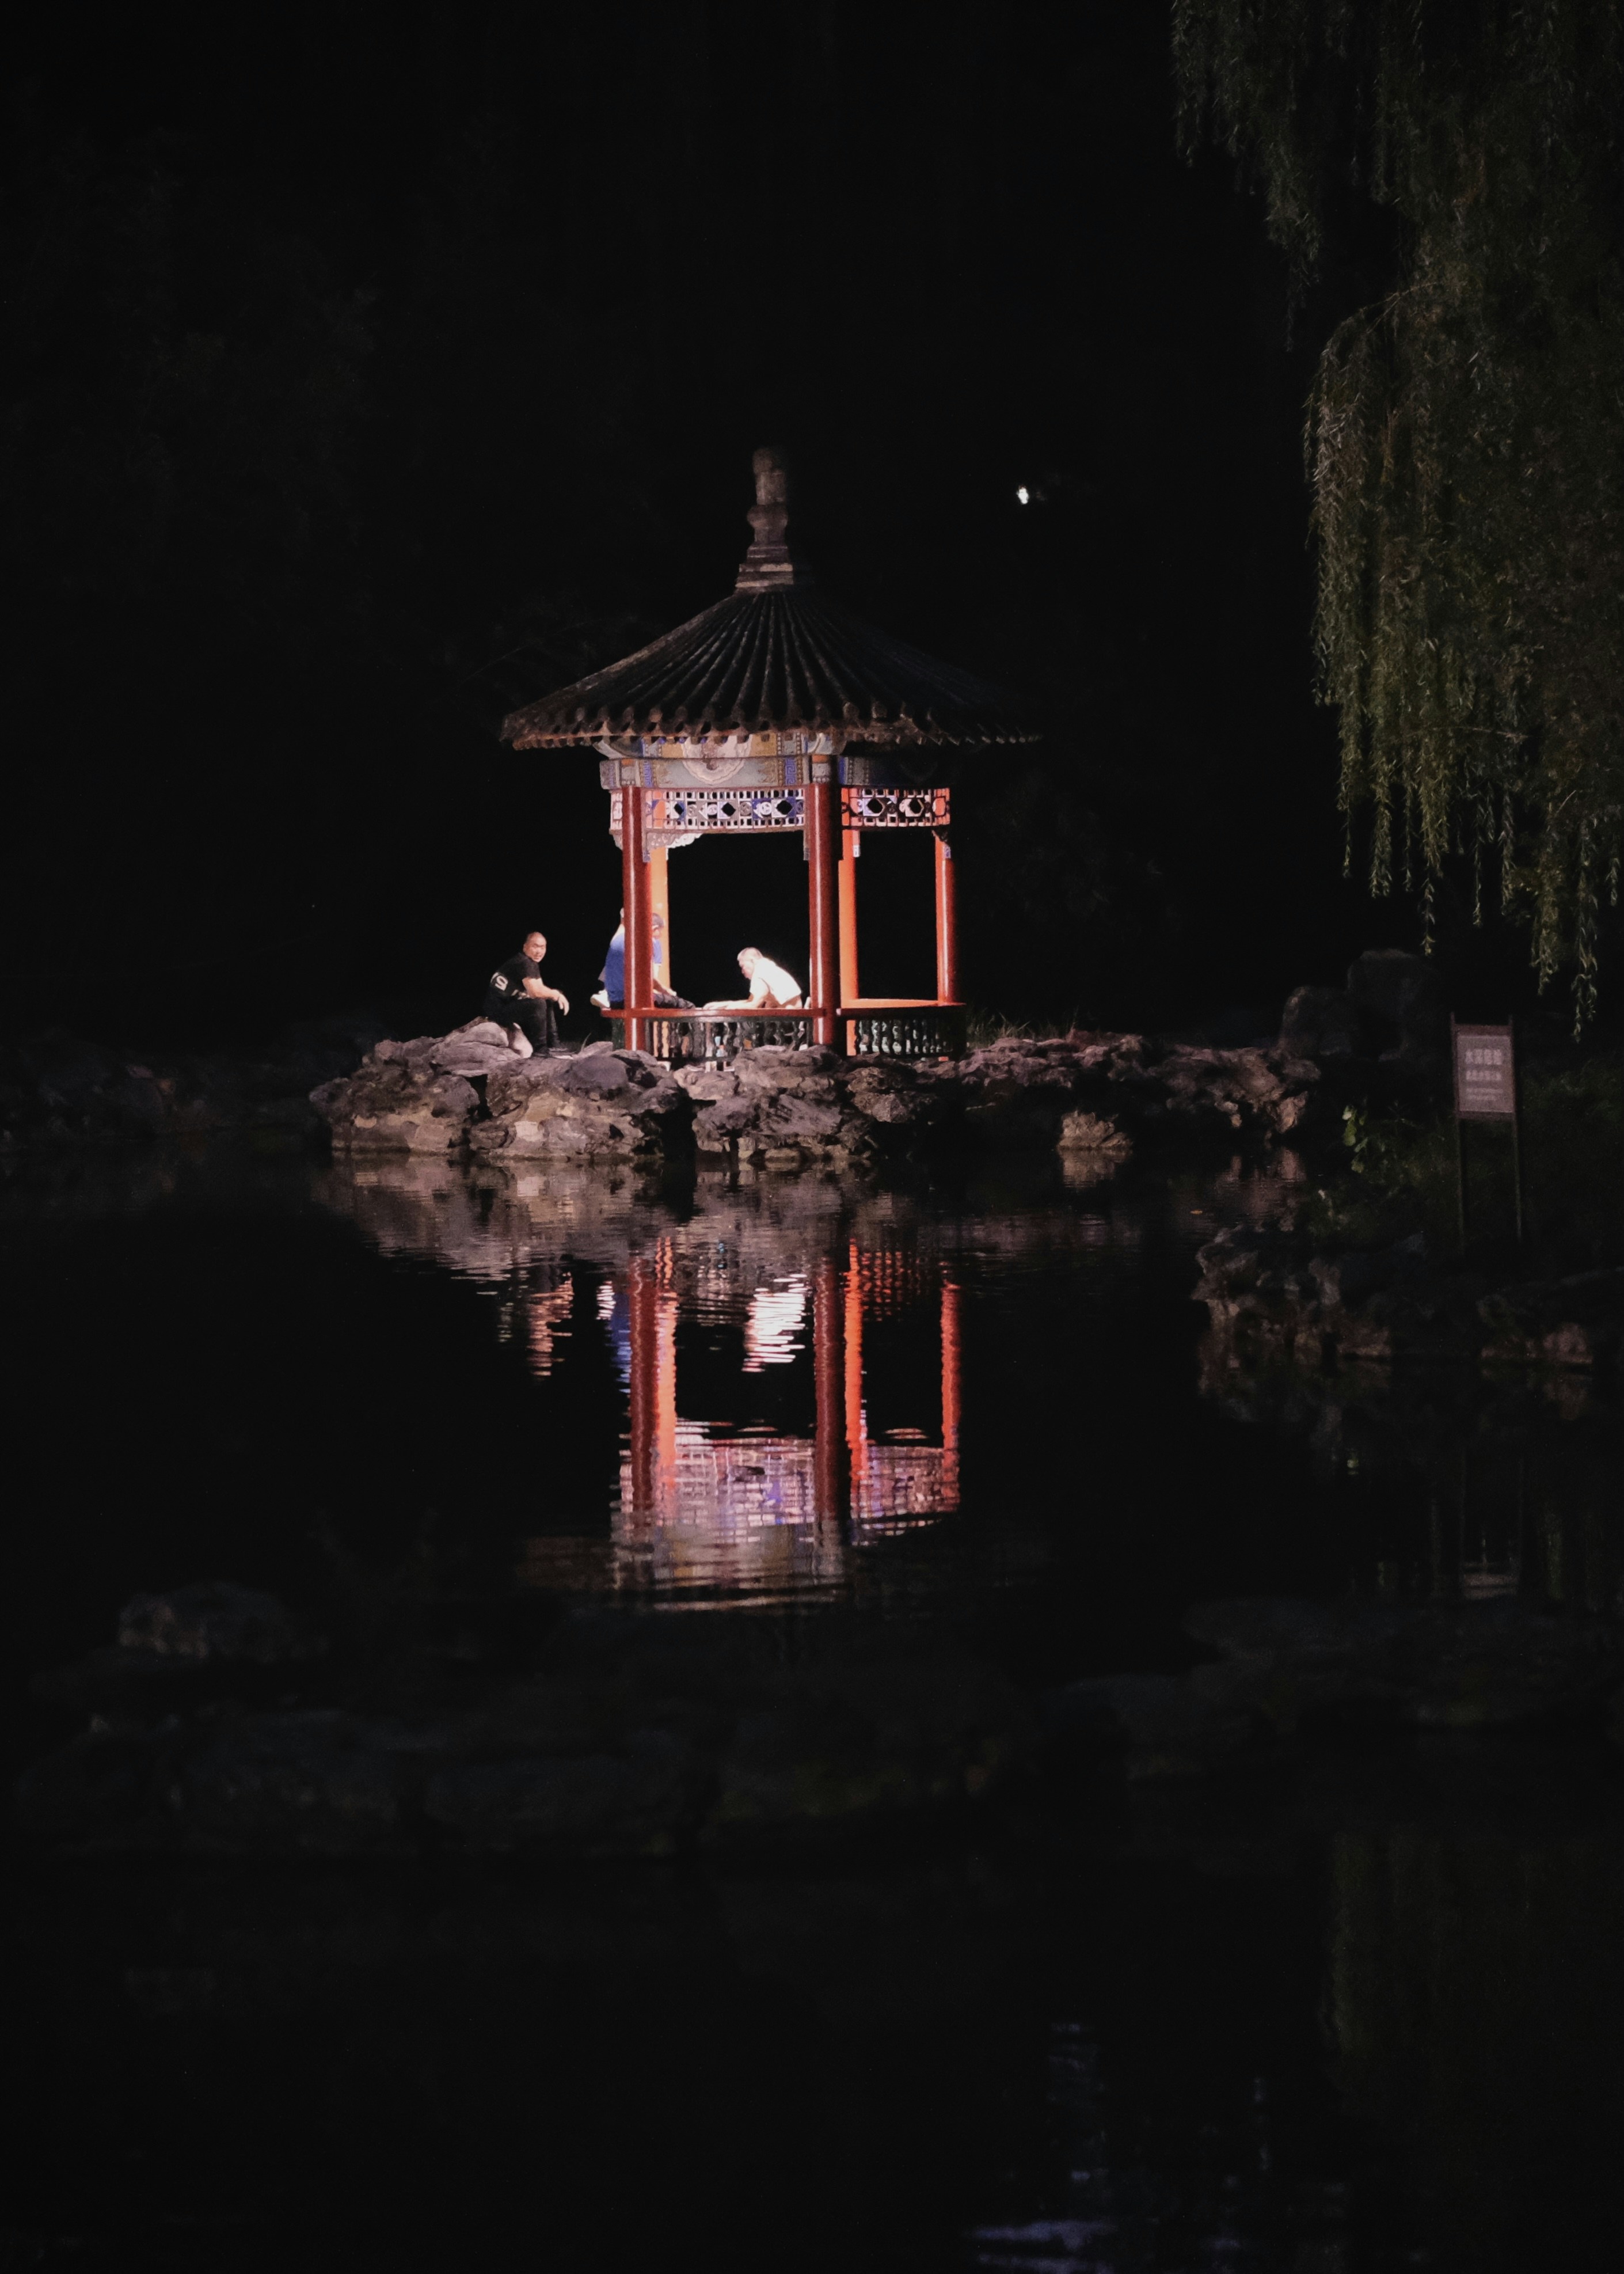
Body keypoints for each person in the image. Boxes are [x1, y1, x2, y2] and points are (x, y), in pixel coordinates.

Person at [483, 930, 570, 1054]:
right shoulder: (524, 962)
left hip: (507, 1006)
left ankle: (554, 1044)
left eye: (543, 947)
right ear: (525, 947)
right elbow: (535, 992)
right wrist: (557, 995)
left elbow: (541, 989)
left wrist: (556, 994)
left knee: (548, 998)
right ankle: (540, 1049)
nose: (539, 951)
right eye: (535, 947)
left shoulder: (529, 962)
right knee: (539, 1003)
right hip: (496, 1013)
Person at [590, 909, 692, 1012]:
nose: (660, 935)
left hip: (614, 1001)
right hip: (632, 1000)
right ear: (654, 928)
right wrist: (665, 991)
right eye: (660, 931)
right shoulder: (646, 942)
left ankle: (605, 994)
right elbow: (650, 979)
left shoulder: (617, 939)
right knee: (686, 1006)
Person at [705, 946, 804, 1012]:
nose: (742, 971)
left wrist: (727, 1008)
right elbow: (751, 1001)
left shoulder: (761, 971)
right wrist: (723, 1004)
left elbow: (754, 1006)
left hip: (789, 1019)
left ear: (752, 961)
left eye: (743, 966)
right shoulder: (767, 967)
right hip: (790, 1016)